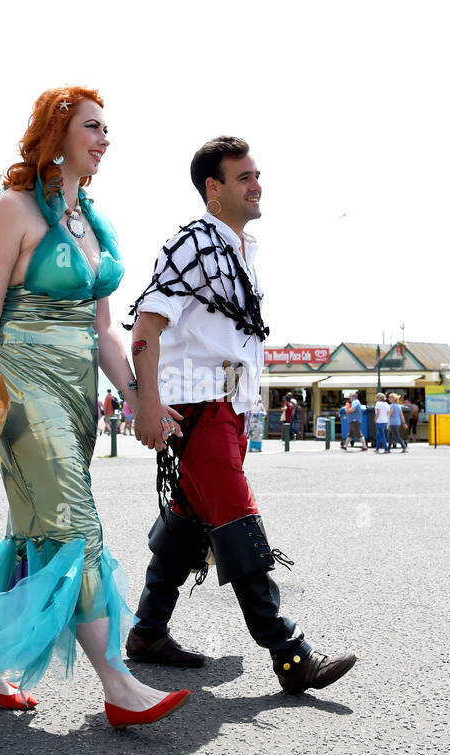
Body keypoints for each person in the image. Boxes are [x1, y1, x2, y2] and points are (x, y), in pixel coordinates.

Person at [0, 86, 187, 728]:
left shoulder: (93, 222)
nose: (105, 139)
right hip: (22, 387)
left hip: (78, 392)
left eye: (108, 130)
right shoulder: (13, 211)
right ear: (58, 135)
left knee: (39, 527)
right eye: (93, 127)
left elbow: (105, 331)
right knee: (76, 526)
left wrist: (138, 398)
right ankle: (119, 685)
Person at [124, 135, 356, 693]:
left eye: (256, 175)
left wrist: (246, 409)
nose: (257, 185)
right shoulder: (193, 244)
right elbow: (146, 328)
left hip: (226, 407)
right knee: (235, 516)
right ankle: (290, 654)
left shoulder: (241, 248)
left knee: (189, 519)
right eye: (244, 177)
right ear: (214, 188)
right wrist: (149, 405)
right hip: (198, 408)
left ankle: (147, 632)